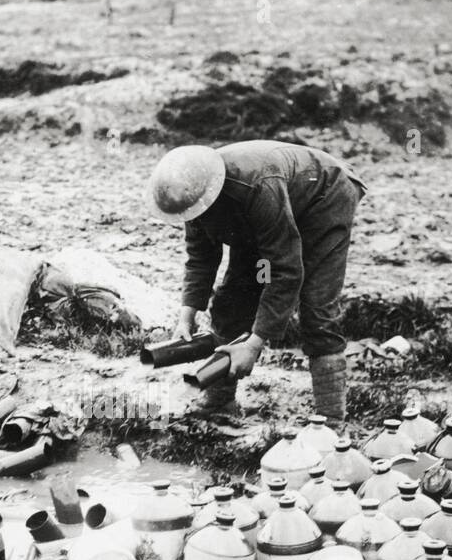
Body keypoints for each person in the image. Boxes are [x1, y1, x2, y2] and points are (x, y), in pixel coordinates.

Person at [146, 140, 366, 421]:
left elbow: (286, 270)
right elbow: (201, 259)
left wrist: (254, 343)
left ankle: (331, 421)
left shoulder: (257, 187)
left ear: (211, 193)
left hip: (323, 196)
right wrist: (185, 318)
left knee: (317, 310)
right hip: (262, 214)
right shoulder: (194, 199)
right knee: (230, 302)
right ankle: (220, 399)